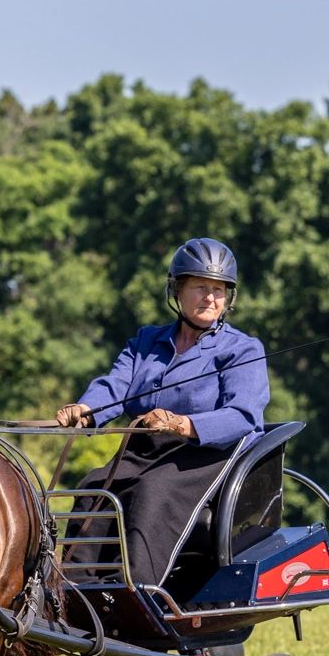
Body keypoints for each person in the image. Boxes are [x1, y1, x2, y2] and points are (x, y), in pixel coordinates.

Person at [56, 238, 269, 589]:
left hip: (204, 456)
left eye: (219, 290)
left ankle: (134, 590)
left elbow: (244, 415)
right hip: (143, 450)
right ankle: (75, 588)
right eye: (201, 287)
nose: (210, 298)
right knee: (94, 485)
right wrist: (85, 409)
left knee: (152, 492)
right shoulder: (146, 341)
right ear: (177, 290)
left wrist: (183, 424)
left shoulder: (242, 349)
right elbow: (116, 386)